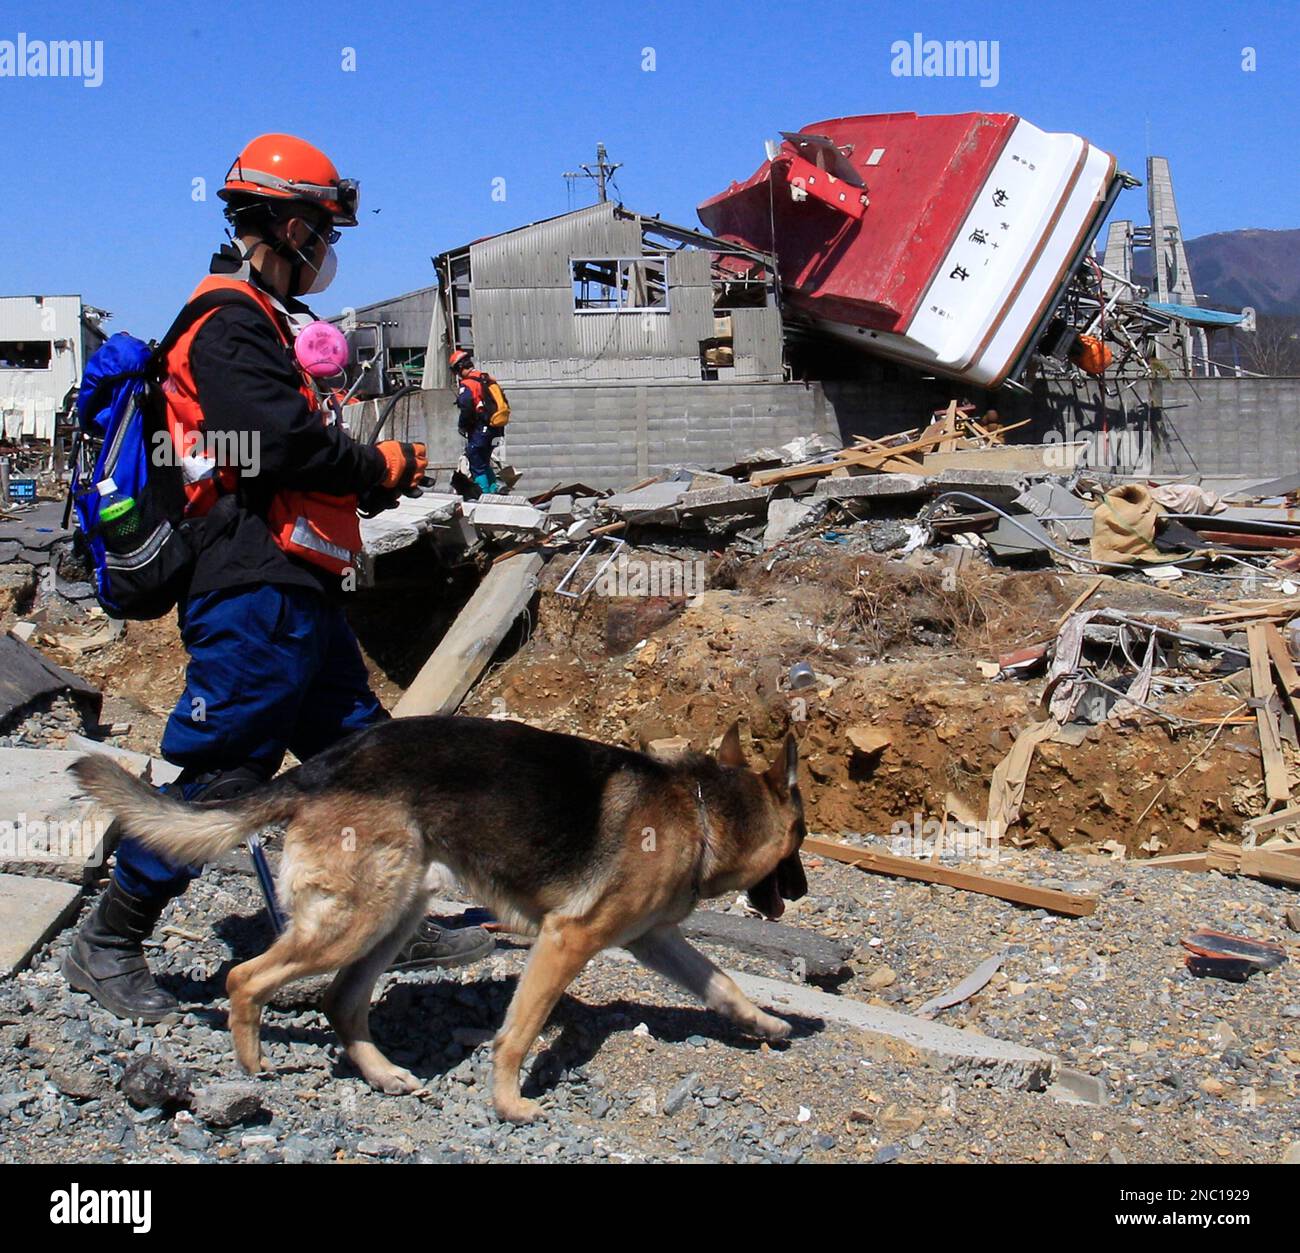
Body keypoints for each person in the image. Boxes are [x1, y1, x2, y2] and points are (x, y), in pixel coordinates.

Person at [63, 134, 493, 1023]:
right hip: (251, 588)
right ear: (289, 227)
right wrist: (374, 465)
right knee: (226, 774)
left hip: (297, 589)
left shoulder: (261, 322)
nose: (329, 253)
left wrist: (363, 477)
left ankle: (384, 920)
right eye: (324, 233)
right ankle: (109, 939)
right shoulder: (225, 324)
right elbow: (276, 444)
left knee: (367, 764)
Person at [450, 349, 501, 495]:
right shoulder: (486, 378)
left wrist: (462, 426)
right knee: (485, 461)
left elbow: (466, 406)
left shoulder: (468, 384)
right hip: (496, 430)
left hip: (481, 429)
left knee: (476, 461)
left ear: (459, 368)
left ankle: (484, 495)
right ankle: (494, 491)